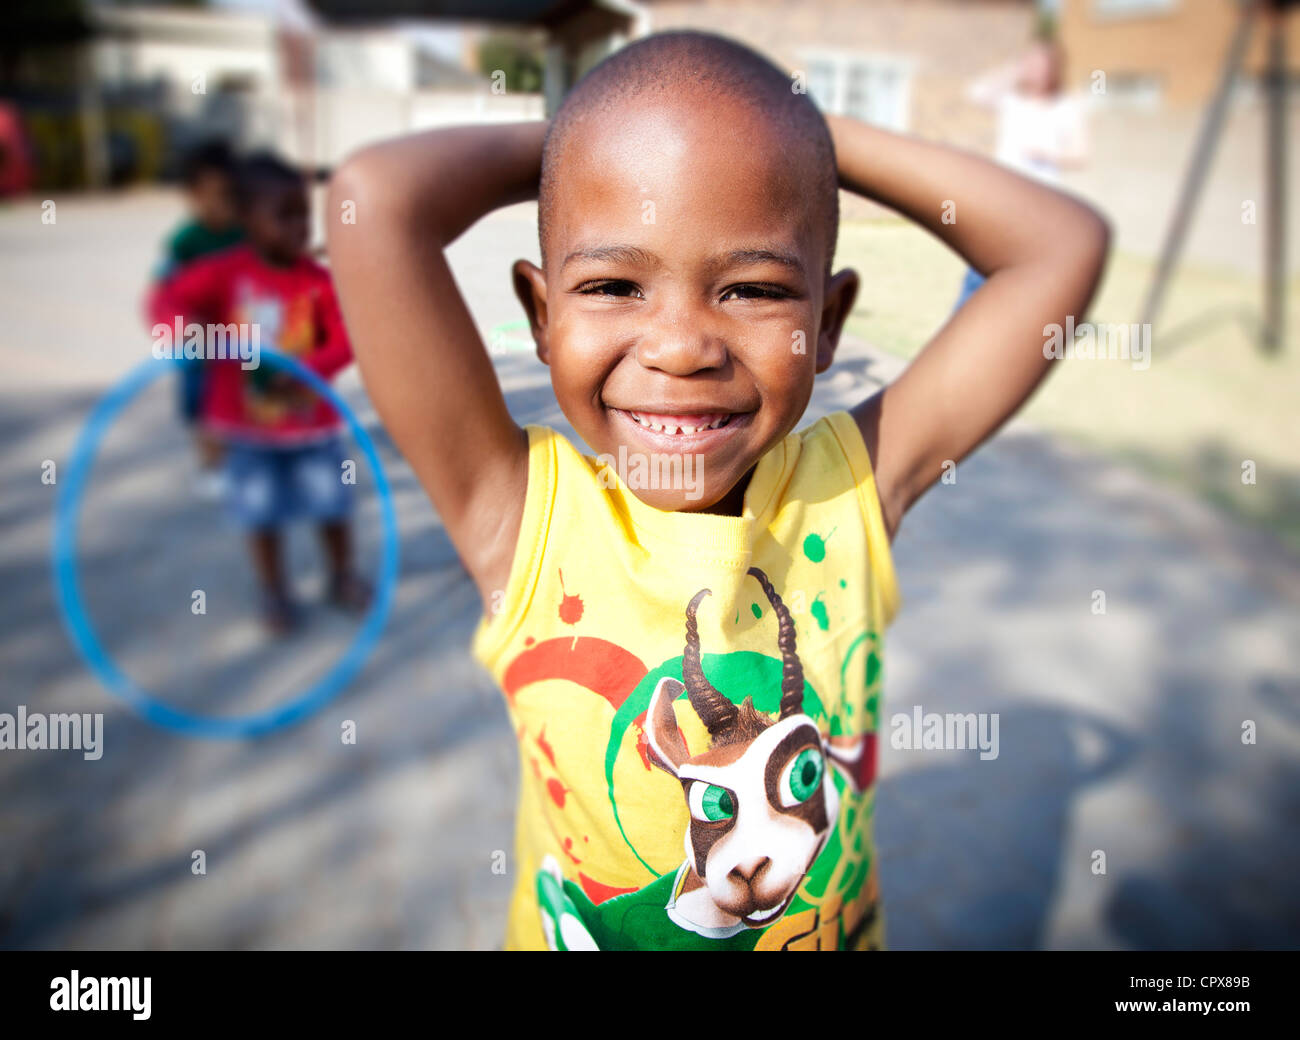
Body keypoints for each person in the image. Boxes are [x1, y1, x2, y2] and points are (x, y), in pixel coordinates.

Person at [327, 30, 1109, 949]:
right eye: (615, 285)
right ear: (542, 317)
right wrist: (583, 133)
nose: (682, 346)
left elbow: (1061, 245)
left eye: (750, 291)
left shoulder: (852, 491)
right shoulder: (520, 522)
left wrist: (814, 137)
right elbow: (369, 203)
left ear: (828, 325)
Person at [152, 152, 370, 634]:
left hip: (310, 425)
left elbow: (345, 336)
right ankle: (274, 592)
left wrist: (310, 370)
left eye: (304, 214)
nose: (299, 227)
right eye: (284, 215)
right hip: (247, 430)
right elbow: (168, 299)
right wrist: (183, 328)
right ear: (248, 219)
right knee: (260, 515)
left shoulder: (316, 281)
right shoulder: (226, 272)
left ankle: (341, 575)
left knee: (332, 504)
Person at [955, 33, 1090, 309]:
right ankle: (963, 319)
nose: (1033, 70)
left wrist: (1047, 152)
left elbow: (1081, 154)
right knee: (979, 267)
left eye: (1040, 64)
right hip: (1001, 196)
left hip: (1039, 200)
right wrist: (1013, 69)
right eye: (1029, 63)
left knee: (1020, 268)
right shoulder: (1012, 101)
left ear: (1053, 69)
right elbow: (975, 92)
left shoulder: (1066, 107)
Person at [152, 140, 245, 495]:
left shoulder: (245, 233)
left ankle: (245, 457)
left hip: (240, 336)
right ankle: (212, 465)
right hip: (196, 340)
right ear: (192, 195)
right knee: (202, 404)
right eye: (213, 196)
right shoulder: (184, 241)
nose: (222, 205)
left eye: (230, 196)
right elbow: (165, 290)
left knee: (244, 396)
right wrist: (180, 323)